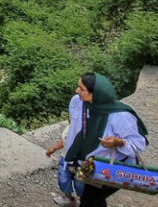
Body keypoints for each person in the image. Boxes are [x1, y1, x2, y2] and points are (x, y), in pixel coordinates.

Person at [64, 73, 148, 207]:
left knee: (90, 200)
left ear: (95, 93)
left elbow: (139, 143)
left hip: (110, 168)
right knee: (92, 200)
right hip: (88, 166)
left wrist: (118, 142)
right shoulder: (77, 102)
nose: (77, 90)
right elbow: (74, 128)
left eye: (81, 88)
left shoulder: (120, 116)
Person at [46, 95, 84, 206]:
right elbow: (63, 141)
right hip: (66, 158)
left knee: (80, 182)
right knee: (63, 178)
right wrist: (53, 149)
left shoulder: (87, 131)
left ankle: (83, 200)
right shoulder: (69, 127)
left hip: (80, 161)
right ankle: (68, 198)